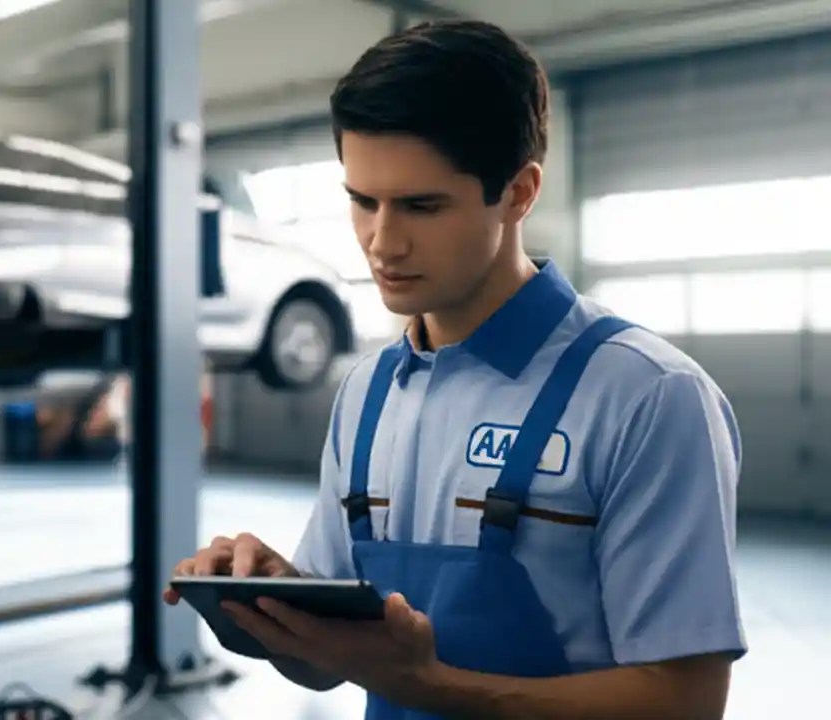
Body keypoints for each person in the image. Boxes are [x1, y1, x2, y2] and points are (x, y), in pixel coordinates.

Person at [167, 20, 744, 720]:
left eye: (421, 205)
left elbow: (684, 704)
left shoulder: (648, 399)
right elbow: (332, 668)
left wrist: (428, 684)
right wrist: (272, 607)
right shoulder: (368, 393)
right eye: (361, 201)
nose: (382, 241)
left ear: (520, 192)